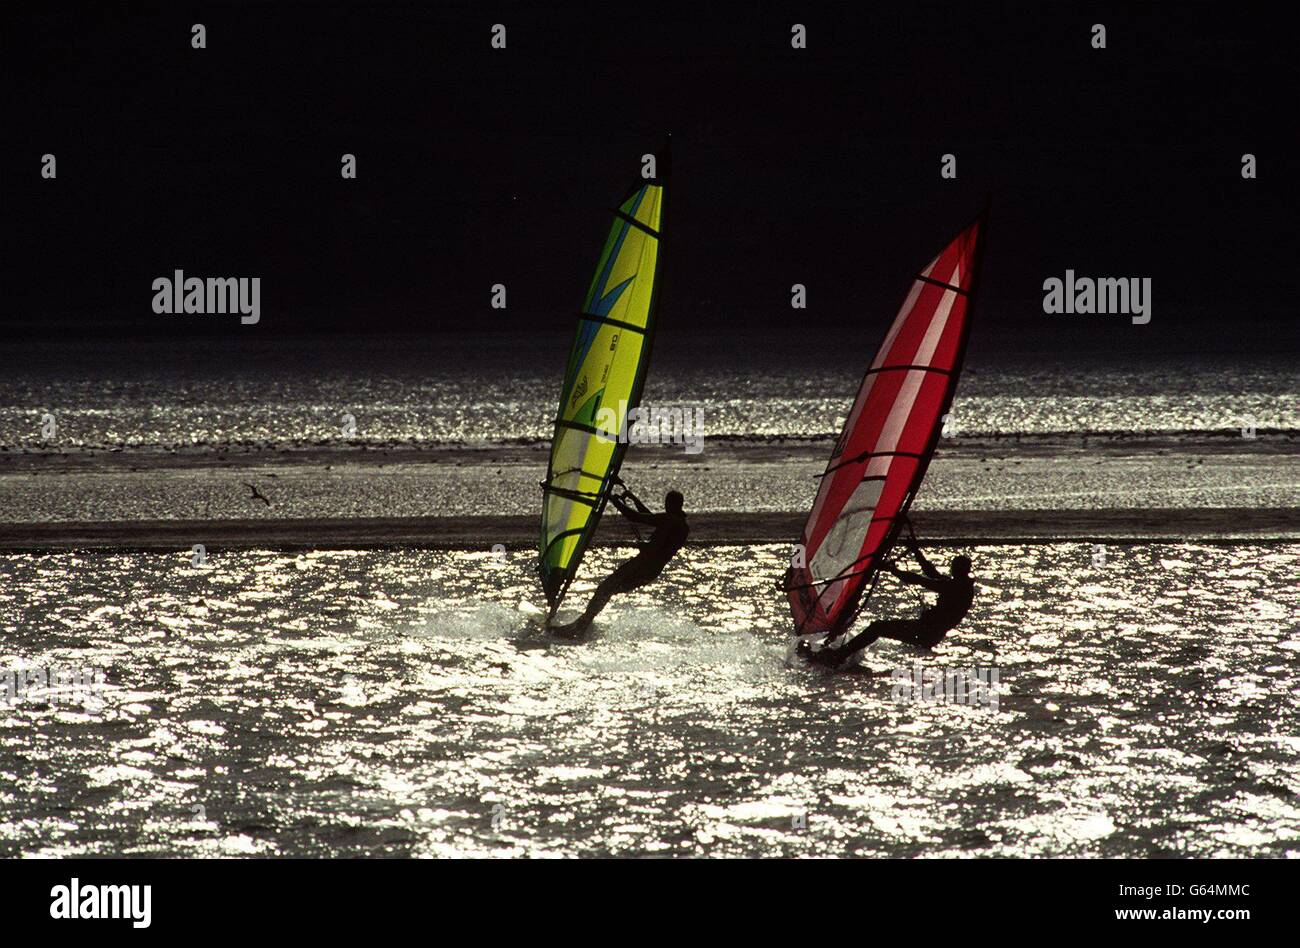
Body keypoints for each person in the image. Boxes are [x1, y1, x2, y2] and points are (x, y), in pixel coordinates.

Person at [799, 537, 975, 668]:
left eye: (955, 567)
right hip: (927, 631)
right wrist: (916, 551)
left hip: (926, 633)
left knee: (878, 627)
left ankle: (839, 655)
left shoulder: (958, 588)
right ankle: (840, 654)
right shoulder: (958, 583)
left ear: (961, 570)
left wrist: (892, 570)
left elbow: (922, 580)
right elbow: (931, 573)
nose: (952, 570)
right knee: (879, 627)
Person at [550, 483, 689, 637]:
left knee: (604, 588)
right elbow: (650, 517)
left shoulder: (670, 520)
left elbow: (635, 517)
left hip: (641, 566)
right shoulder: (681, 525)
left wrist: (613, 499)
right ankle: (582, 625)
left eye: (667, 504)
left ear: (671, 504)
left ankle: (581, 627)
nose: (666, 507)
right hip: (650, 572)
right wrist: (633, 499)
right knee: (607, 590)